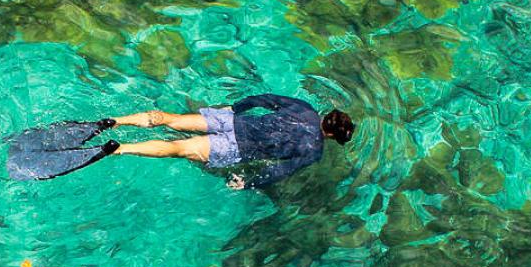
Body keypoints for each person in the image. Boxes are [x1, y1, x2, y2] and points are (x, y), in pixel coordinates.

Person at [109, 95, 356, 189]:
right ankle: (120, 149)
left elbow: (264, 99)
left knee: (172, 119)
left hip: (233, 121)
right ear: (332, 137)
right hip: (235, 148)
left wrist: (235, 108)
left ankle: (115, 121)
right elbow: (280, 170)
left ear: (328, 116)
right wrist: (248, 183)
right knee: (178, 149)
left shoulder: (305, 108)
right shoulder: (313, 151)